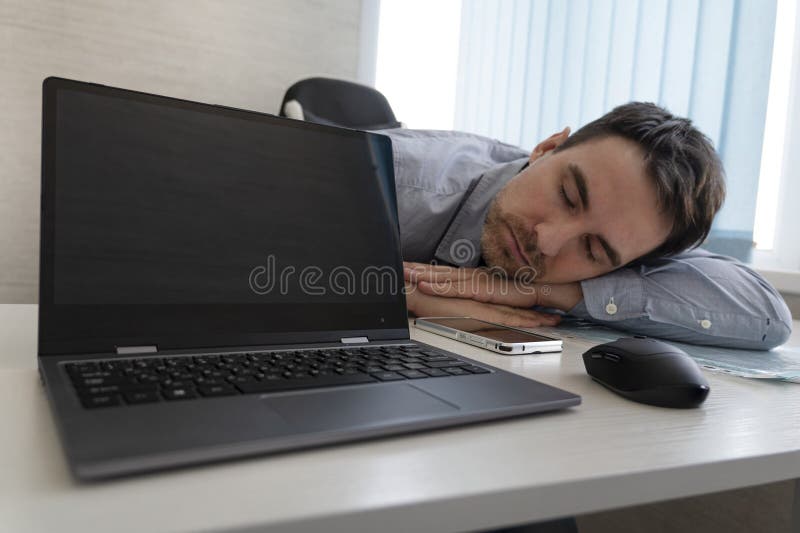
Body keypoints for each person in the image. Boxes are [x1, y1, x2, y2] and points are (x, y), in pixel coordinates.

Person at [386, 102, 792, 350]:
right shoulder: (395, 177)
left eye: (593, 250)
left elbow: (768, 315)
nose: (547, 241)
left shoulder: (633, 233)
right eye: (567, 195)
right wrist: (405, 299)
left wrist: (542, 291)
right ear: (546, 149)